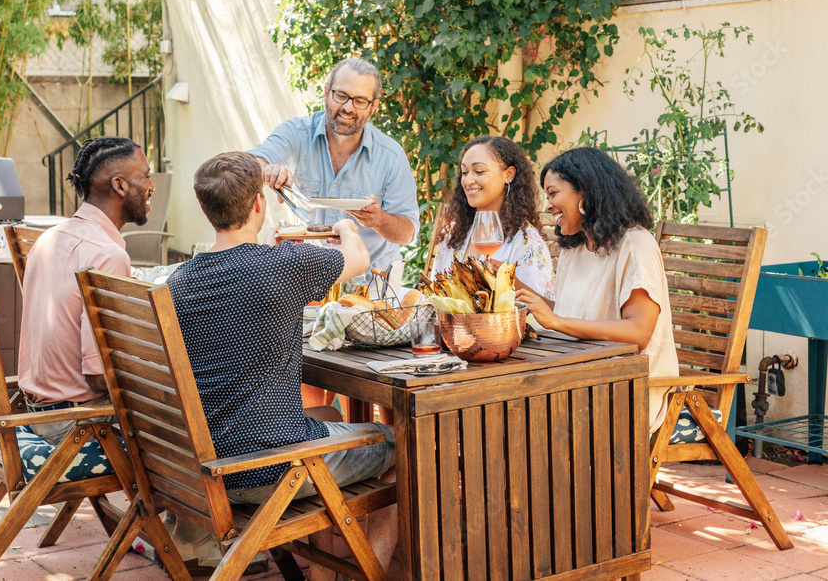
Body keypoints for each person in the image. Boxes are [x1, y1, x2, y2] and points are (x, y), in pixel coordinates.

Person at [166, 151, 398, 577]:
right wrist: (346, 227)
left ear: (206, 209)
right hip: (270, 468)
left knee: (327, 415)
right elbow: (360, 260)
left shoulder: (179, 281)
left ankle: (322, 573)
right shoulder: (282, 266)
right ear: (259, 203)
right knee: (400, 445)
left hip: (203, 470)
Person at [515, 147, 679, 433]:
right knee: (507, 409)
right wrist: (511, 284)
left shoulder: (635, 244)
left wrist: (557, 322)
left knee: (524, 422)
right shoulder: (576, 247)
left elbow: (638, 332)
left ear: (585, 192)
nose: (548, 205)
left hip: (629, 391)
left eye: (553, 193)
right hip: (579, 382)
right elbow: (566, 315)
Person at [17, 136, 155, 445]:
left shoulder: (49, 238)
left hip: (38, 413)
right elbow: (99, 376)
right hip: (76, 426)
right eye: (145, 176)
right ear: (119, 185)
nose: (151, 186)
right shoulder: (107, 255)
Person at [249, 57, 419, 275]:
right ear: (326, 92)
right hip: (309, 280)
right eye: (341, 95)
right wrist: (267, 170)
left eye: (360, 101)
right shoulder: (295, 133)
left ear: (374, 106)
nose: (347, 107)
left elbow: (407, 233)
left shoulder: (391, 156)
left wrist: (379, 220)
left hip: (371, 283)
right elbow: (249, 164)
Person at [431, 135, 555, 298]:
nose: (468, 181)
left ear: (508, 174)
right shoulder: (452, 235)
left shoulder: (526, 242)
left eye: (479, 171)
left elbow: (539, 309)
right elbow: (434, 295)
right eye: (464, 172)